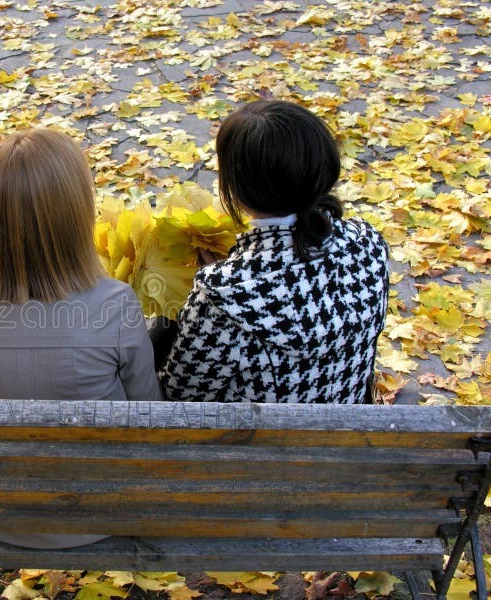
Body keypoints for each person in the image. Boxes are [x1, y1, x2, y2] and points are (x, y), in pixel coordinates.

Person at [0, 128, 162, 548]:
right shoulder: (114, 302)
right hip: (100, 514)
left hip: (1, 514)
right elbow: (149, 415)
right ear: (75, 214)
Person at [158, 100, 389, 404]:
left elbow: (181, 396)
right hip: (351, 433)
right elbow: (302, 288)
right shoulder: (368, 244)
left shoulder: (224, 296)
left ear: (236, 192)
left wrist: (221, 280)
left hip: (257, 448)